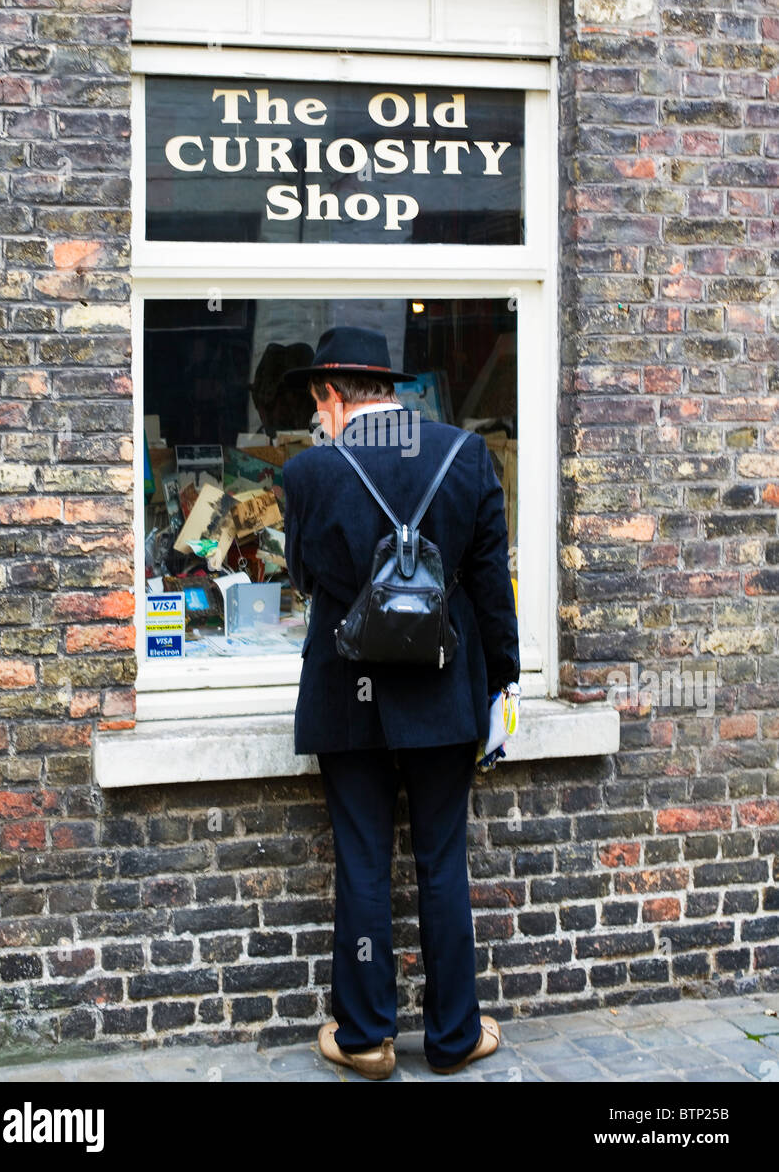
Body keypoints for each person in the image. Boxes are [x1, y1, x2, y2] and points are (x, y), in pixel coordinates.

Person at [281, 325, 520, 1079]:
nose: (320, 418)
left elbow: (305, 581)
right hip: (444, 690)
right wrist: (502, 681)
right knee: (443, 864)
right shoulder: (466, 454)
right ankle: (453, 1037)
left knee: (362, 862)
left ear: (332, 395)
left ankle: (366, 1038)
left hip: (347, 693)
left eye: (319, 403)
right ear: (390, 388)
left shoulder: (312, 472)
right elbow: (490, 588)